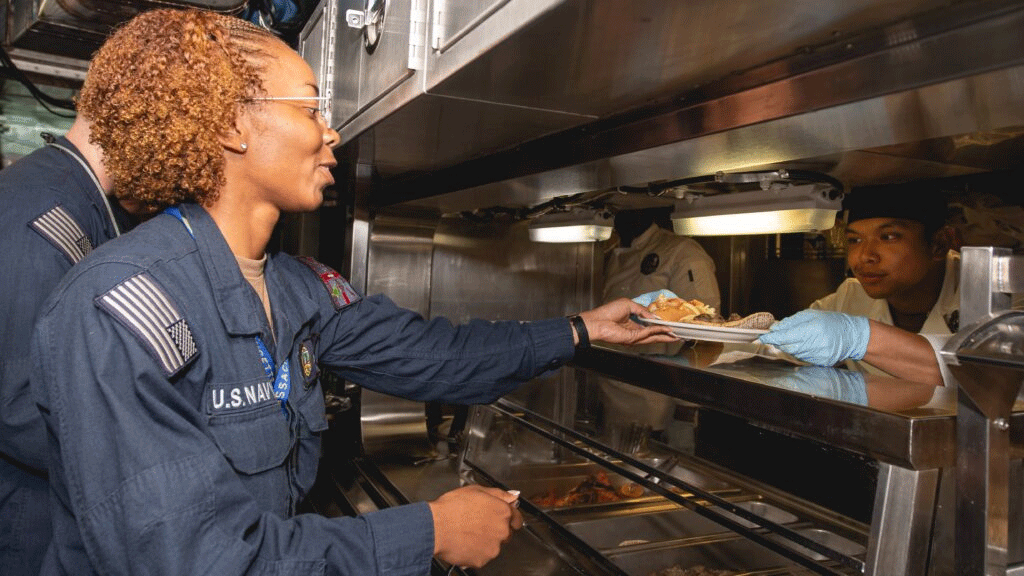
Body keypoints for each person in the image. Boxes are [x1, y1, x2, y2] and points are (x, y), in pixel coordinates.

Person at [28, 9, 676, 576]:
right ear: (233, 124)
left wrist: (583, 329)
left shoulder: (297, 288)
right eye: (311, 109)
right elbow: (199, 561)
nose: (330, 133)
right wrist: (432, 532)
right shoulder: (118, 308)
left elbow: (435, 357)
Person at [0, 115, 151, 574]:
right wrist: (147, 459)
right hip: (25, 515)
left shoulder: (81, 197)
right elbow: (18, 401)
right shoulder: (46, 209)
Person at [755, 182, 1022, 386]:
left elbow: (994, 375)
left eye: (889, 236)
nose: (864, 256)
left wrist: (860, 338)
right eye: (854, 240)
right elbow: (772, 350)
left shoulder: (1003, 292)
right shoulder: (850, 297)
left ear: (939, 243)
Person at [599, 208, 721, 442]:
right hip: (609, 405)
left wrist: (687, 407)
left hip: (657, 414)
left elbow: (705, 336)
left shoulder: (682, 253)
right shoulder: (613, 252)